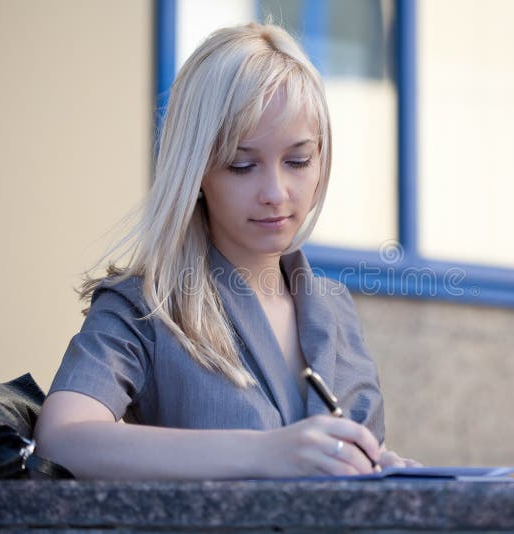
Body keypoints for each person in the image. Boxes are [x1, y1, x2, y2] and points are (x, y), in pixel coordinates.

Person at [34, 22, 417, 480]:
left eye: (298, 161)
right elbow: (61, 436)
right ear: (196, 171)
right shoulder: (146, 305)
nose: (276, 192)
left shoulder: (334, 311)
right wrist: (264, 454)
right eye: (241, 165)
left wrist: (379, 466)